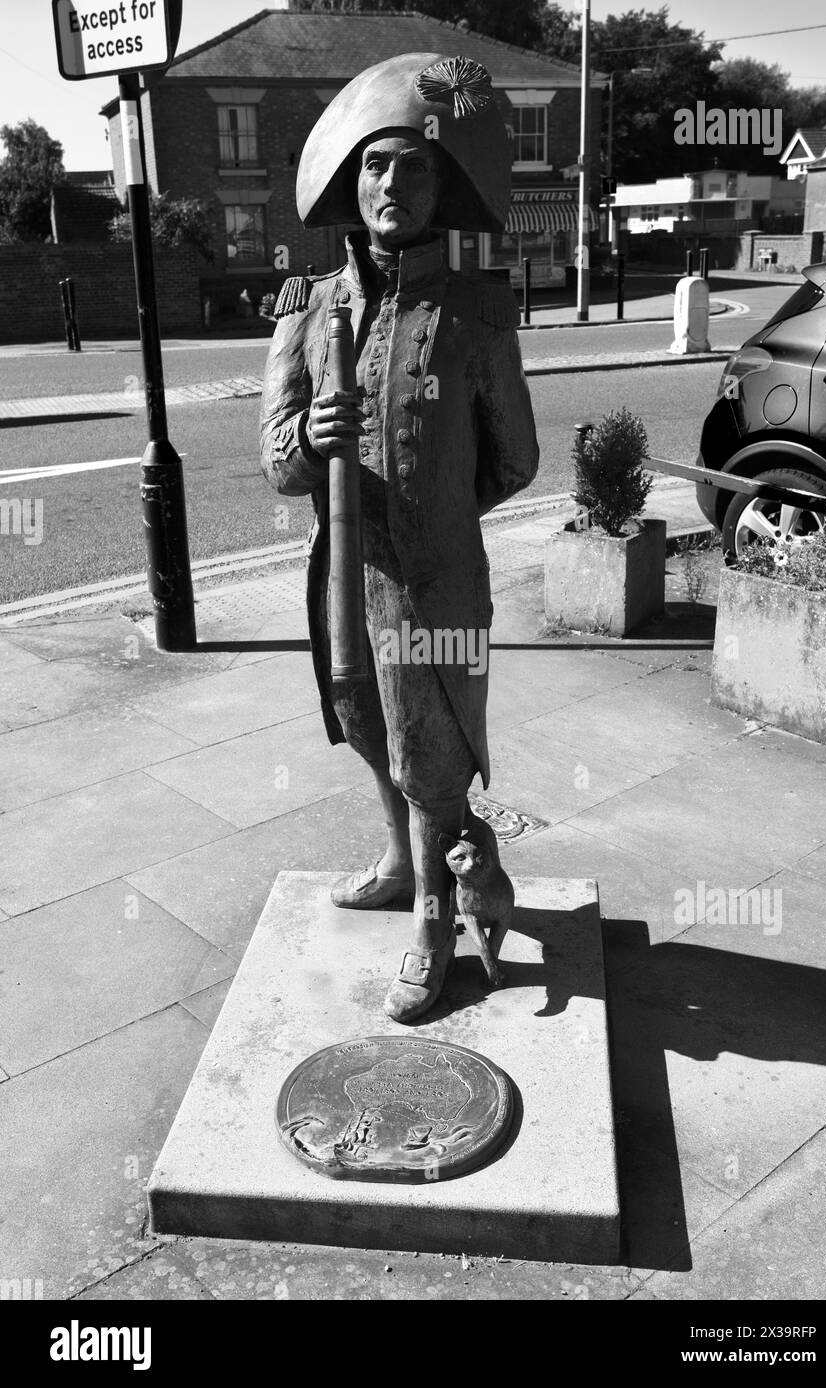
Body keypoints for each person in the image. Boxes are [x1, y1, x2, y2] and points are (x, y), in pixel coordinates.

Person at [260, 53, 539, 1022]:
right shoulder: (308, 311)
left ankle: (432, 922)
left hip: (437, 581)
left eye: (412, 167)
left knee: (430, 752)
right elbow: (274, 459)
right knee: (364, 725)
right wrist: (307, 440)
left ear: (440, 186)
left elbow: (516, 460)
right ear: (351, 182)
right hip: (344, 573)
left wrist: (437, 513)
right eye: (375, 167)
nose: (391, 184)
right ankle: (405, 859)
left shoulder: (475, 311)